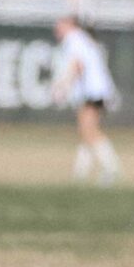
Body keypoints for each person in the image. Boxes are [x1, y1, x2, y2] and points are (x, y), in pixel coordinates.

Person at [52, 16, 121, 184]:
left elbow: (78, 65)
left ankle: (112, 168)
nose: (56, 29)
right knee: (86, 132)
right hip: (98, 90)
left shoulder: (74, 39)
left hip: (93, 91)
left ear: (70, 25)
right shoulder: (82, 39)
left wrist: (63, 85)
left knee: (88, 130)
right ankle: (80, 174)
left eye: (60, 24)